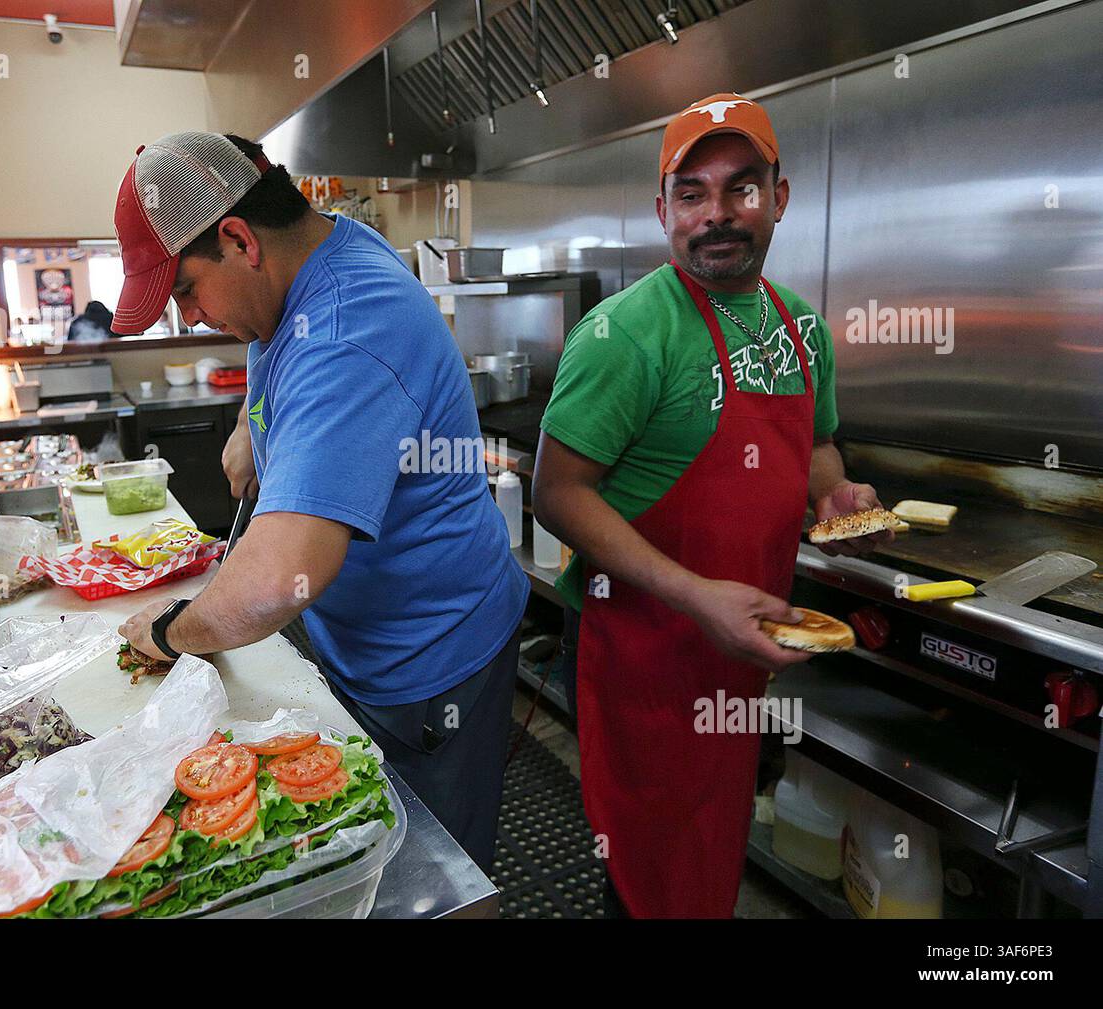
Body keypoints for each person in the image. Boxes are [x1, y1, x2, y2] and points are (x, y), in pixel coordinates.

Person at [113, 132, 529, 870]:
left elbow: (278, 577)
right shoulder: (308, 255)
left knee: (437, 875)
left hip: (431, 656)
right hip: (361, 635)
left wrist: (173, 630)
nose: (190, 317)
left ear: (238, 238)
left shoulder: (348, 328)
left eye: (185, 291)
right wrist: (254, 416)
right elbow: (286, 337)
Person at [532, 93, 891, 917]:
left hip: (743, 642)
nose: (718, 214)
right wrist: (697, 597)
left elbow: (819, 445)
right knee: (649, 864)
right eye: (692, 192)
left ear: (781, 196)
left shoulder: (802, 330)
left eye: (742, 188)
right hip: (647, 654)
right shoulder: (625, 336)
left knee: (714, 841)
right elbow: (557, 493)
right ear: (663, 209)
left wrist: (833, 494)